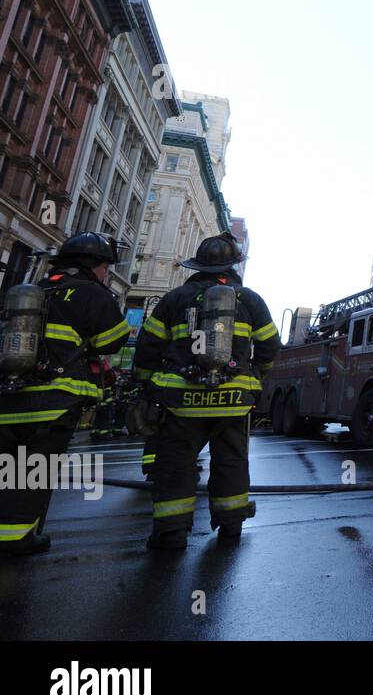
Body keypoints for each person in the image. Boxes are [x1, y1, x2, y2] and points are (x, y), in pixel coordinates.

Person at [134, 232, 280, 549]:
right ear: (233, 266)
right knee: (231, 460)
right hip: (232, 400)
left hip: (181, 401)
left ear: (197, 266)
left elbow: (147, 347)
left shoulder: (175, 298)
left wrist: (148, 382)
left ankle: (171, 532)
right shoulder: (250, 299)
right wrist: (254, 374)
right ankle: (230, 525)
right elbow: (270, 346)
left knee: (175, 462)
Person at [0, 233, 131, 557]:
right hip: (54, 399)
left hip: (9, 394)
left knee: (8, 466)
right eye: (105, 268)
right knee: (34, 469)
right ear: (96, 265)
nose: (105, 274)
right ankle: (17, 537)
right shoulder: (92, 294)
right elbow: (114, 340)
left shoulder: (35, 289)